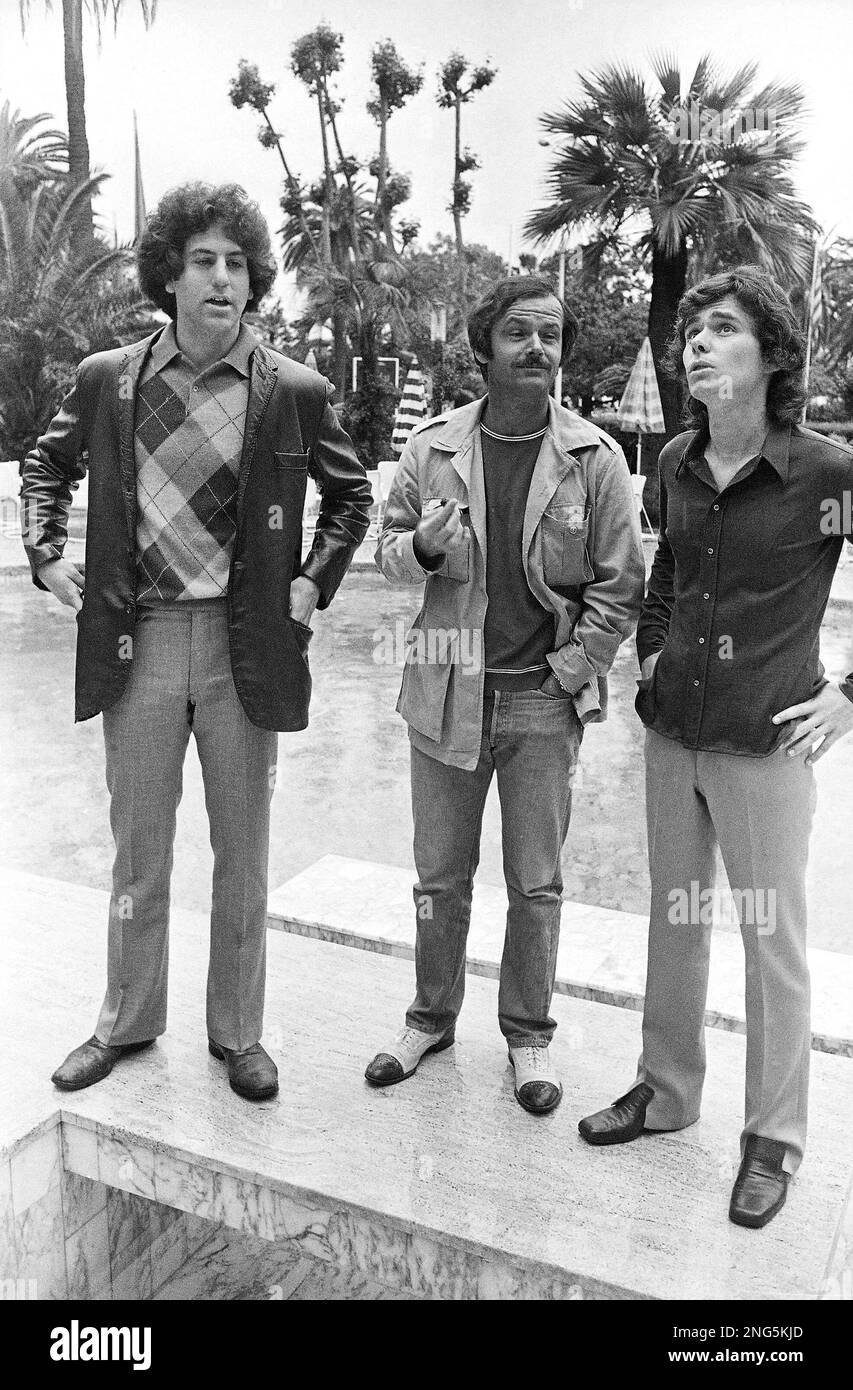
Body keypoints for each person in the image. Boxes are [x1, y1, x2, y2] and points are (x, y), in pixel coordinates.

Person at [21, 182, 371, 1101]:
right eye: (203, 261)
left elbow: (351, 497)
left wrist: (309, 583)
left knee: (242, 849)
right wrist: (46, 552)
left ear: (253, 279)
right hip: (137, 643)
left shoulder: (294, 391)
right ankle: (126, 1024)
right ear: (169, 276)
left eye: (238, 263)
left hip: (244, 644)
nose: (224, 278)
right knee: (139, 848)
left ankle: (238, 1034)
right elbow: (46, 464)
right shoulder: (111, 379)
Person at [578, 266, 853, 1227]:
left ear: (770, 357)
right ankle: (664, 1091)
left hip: (766, 747)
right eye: (692, 328)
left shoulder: (826, 475)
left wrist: (850, 698)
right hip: (673, 737)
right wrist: (650, 657)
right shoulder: (677, 464)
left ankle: (772, 1140)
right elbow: (665, 575)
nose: (695, 341)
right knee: (673, 922)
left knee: (772, 945)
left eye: (721, 328)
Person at [365, 275, 645, 1112]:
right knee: (438, 877)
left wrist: (569, 674)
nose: (537, 350)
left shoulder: (593, 457)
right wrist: (417, 544)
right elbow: (383, 555)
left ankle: (527, 1037)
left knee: (535, 882)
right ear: (484, 346)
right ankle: (429, 1020)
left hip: (540, 701)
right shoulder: (432, 448)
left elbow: (620, 587)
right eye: (518, 333)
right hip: (445, 689)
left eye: (549, 335)